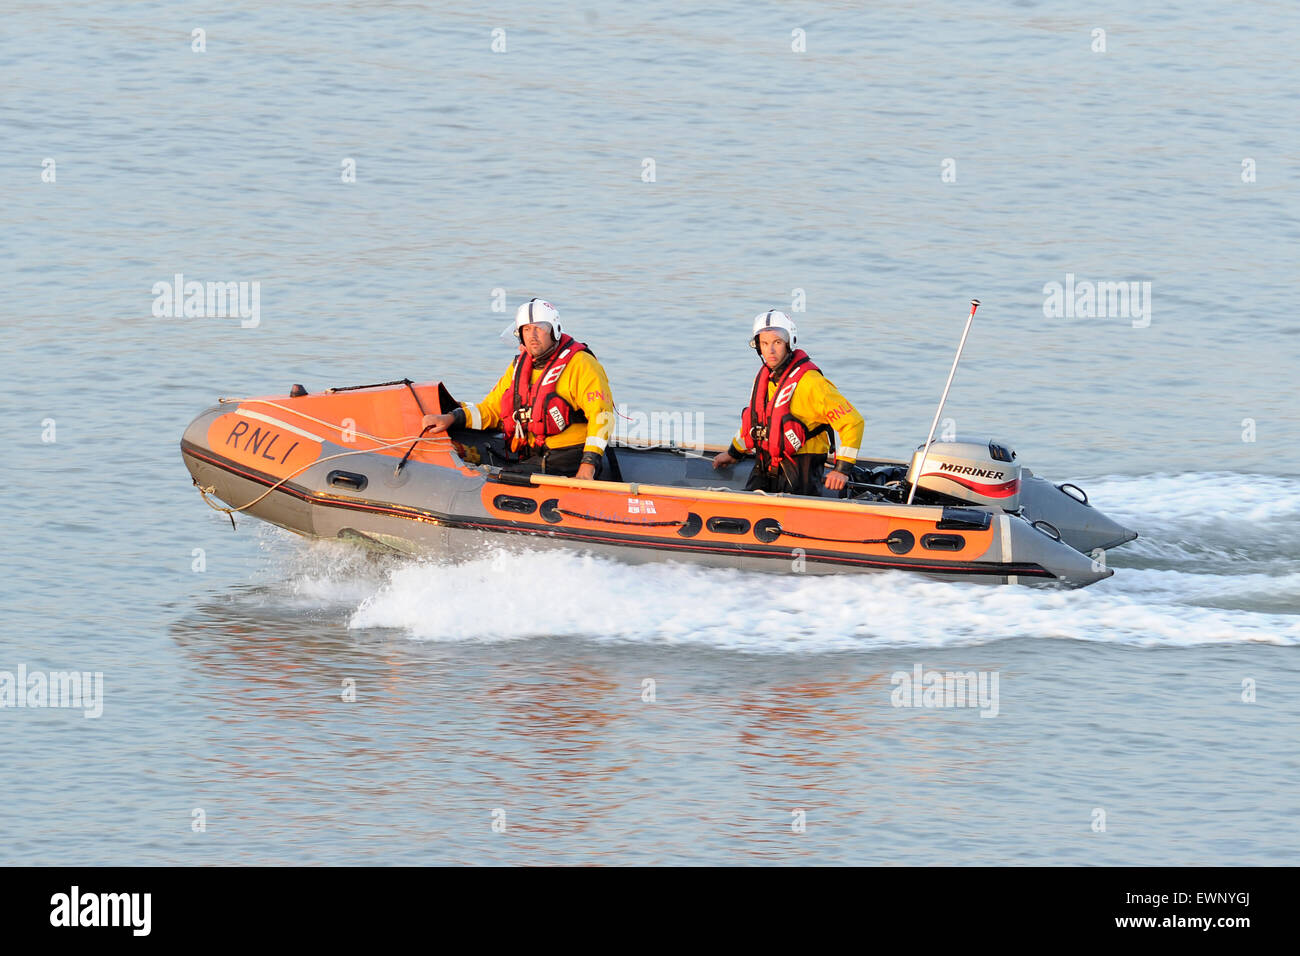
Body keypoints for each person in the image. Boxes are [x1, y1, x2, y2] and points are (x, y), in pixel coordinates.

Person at [422, 298, 615, 479]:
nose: (533, 335)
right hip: (530, 454)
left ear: (555, 330)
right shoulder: (519, 366)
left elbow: (602, 417)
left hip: (567, 459)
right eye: (527, 329)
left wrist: (588, 465)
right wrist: (451, 417)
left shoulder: (581, 364)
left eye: (540, 328)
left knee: (501, 478)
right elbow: (491, 410)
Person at [713, 310, 864, 495]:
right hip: (764, 466)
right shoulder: (764, 379)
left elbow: (853, 421)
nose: (771, 350)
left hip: (801, 470)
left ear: (788, 343)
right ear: (758, 347)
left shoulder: (811, 382)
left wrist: (842, 469)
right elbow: (756, 425)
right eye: (765, 343)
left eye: (777, 342)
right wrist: (733, 453)